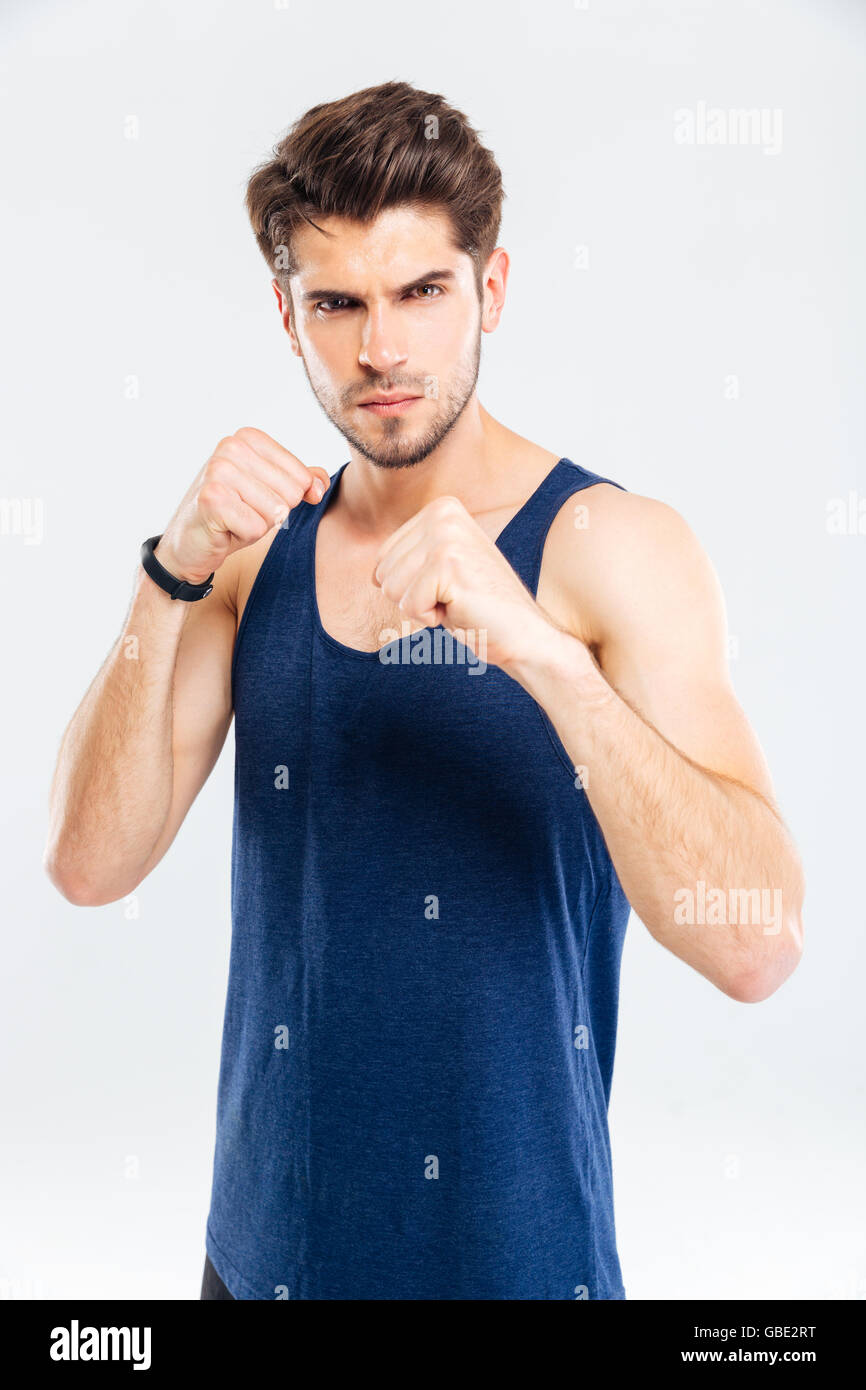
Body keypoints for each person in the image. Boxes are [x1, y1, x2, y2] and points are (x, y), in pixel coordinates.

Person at [44, 80, 805, 1301]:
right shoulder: (250, 553)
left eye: (420, 293)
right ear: (286, 318)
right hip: (258, 1269)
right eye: (335, 303)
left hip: (516, 1268)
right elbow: (88, 866)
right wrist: (166, 572)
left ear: (489, 290)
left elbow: (758, 945)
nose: (378, 349)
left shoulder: (608, 545)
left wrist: (541, 653)